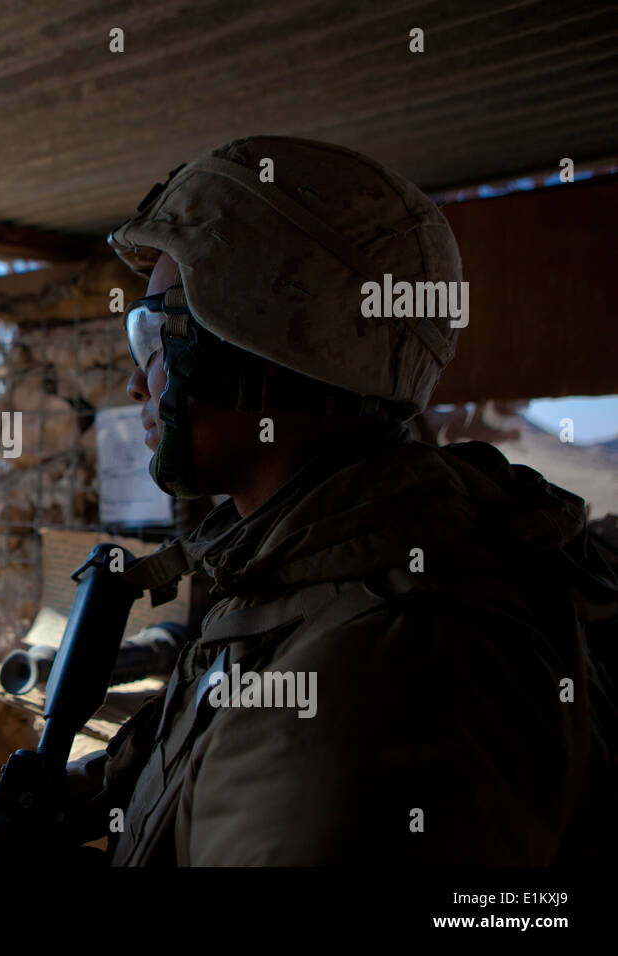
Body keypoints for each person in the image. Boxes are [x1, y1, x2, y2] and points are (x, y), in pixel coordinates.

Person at [46, 135, 618, 865]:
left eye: (154, 334)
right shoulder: (304, 562)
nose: (136, 383)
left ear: (254, 345)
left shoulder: (375, 675)